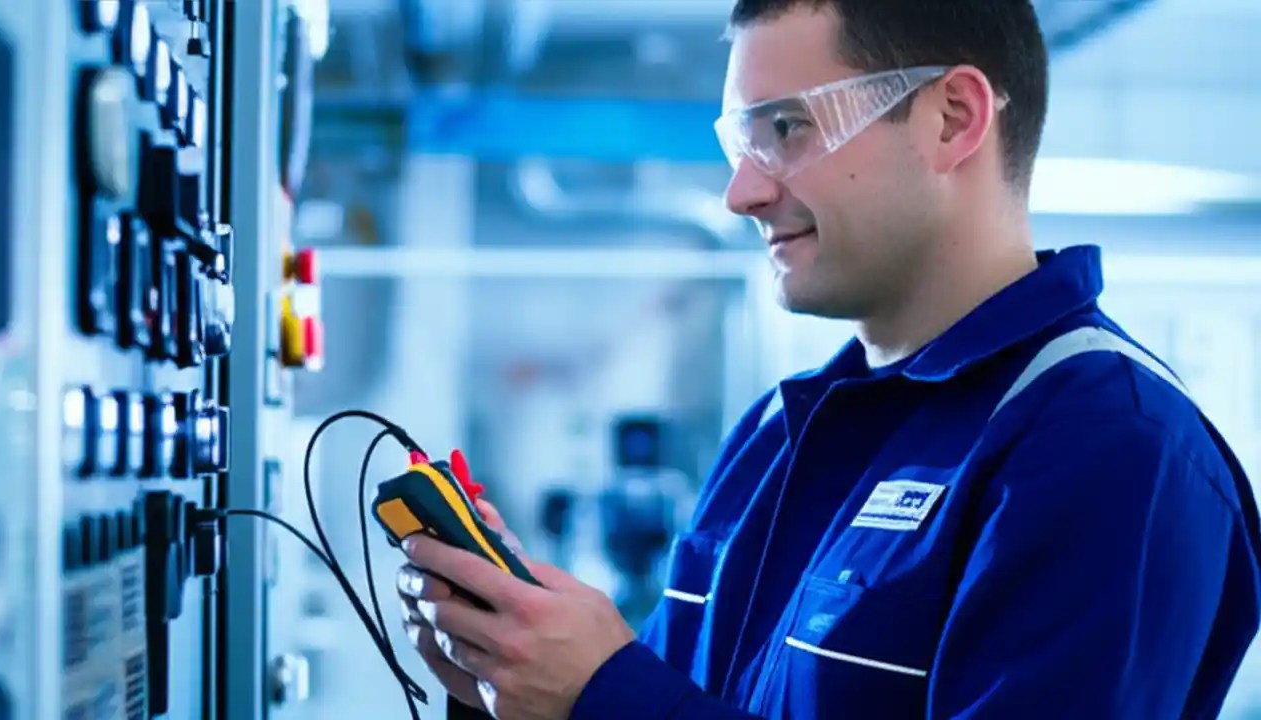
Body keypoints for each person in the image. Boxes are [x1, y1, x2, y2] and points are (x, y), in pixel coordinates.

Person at [396, 1, 1261, 718]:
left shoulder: (1111, 449)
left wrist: (607, 692)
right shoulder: (775, 435)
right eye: (744, 142)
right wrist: (508, 677)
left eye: (788, 128)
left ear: (953, 118)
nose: (743, 192)